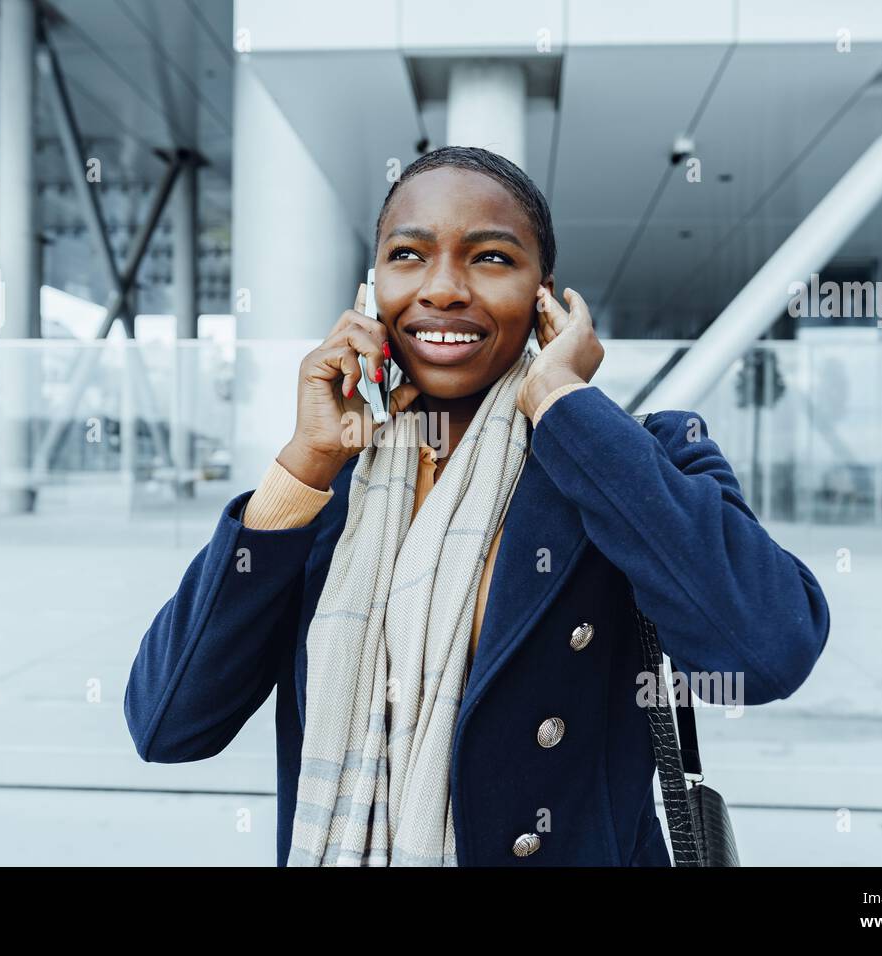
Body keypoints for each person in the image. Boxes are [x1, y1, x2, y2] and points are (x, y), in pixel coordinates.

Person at [124, 146, 830, 866]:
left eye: (491, 259)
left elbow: (766, 654)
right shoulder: (325, 492)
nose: (444, 289)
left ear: (545, 299)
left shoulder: (637, 460)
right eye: (408, 255)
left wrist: (565, 406)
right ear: (372, 291)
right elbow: (167, 724)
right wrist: (305, 460)